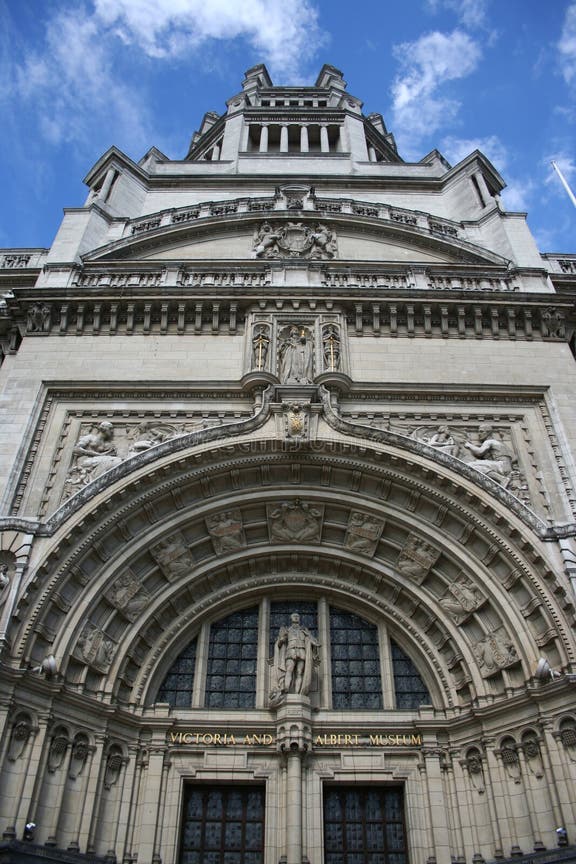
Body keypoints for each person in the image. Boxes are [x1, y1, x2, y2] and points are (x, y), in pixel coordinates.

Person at [272, 613, 319, 697]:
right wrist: (283, 638)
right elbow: (279, 643)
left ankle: (298, 694)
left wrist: (308, 635)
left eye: (297, 616)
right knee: (289, 670)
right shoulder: (287, 630)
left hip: (301, 651)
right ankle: (286, 690)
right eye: (294, 616)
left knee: (299, 672)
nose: (296, 618)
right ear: (291, 618)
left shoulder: (303, 630)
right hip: (291, 651)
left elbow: (314, 642)